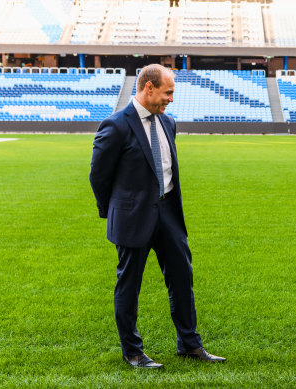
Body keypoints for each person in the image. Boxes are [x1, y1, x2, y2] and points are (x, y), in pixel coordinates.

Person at [89, 64, 225, 369]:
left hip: (168, 215)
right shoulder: (116, 126)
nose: (171, 99)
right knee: (130, 285)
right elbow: (98, 177)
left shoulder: (168, 123)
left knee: (182, 278)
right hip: (132, 218)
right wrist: (111, 211)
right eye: (168, 92)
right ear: (148, 88)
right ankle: (133, 352)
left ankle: (189, 345)